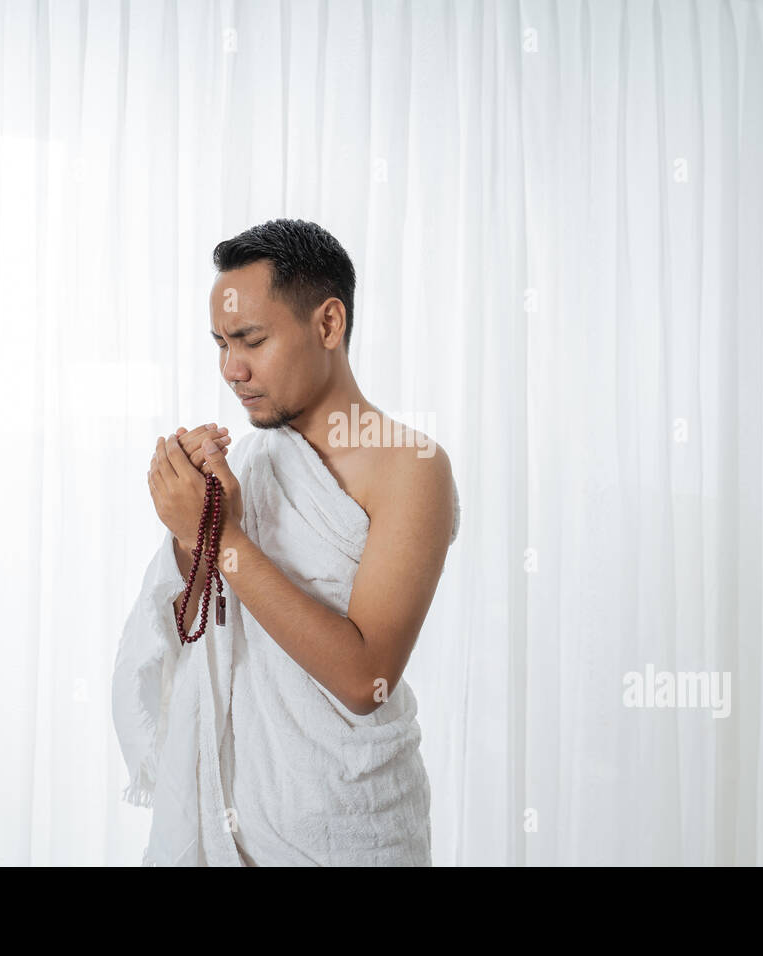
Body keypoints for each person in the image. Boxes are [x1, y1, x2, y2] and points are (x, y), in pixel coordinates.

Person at [114, 218, 460, 865]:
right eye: (220, 343)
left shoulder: (412, 468)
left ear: (327, 325)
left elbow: (366, 679)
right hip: (233, 814)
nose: (231, 368)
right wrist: (191, 531)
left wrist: (218, 536)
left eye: (250, 340)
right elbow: (193, 638)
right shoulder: (250, 458)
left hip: (346, 823)